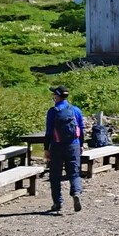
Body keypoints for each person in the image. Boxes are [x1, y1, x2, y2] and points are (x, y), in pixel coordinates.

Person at [44, 85, 84, 214]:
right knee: (74, 173)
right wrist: (81, 145)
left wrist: (46, 148)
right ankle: (76, 192)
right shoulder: (75, 110)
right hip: (74, 145)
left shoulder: (52, 111)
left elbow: (49, 131)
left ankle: (58, 202)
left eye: (53, 95)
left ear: (57, 96)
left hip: (56, 146)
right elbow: (81, 129)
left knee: (55, 175)